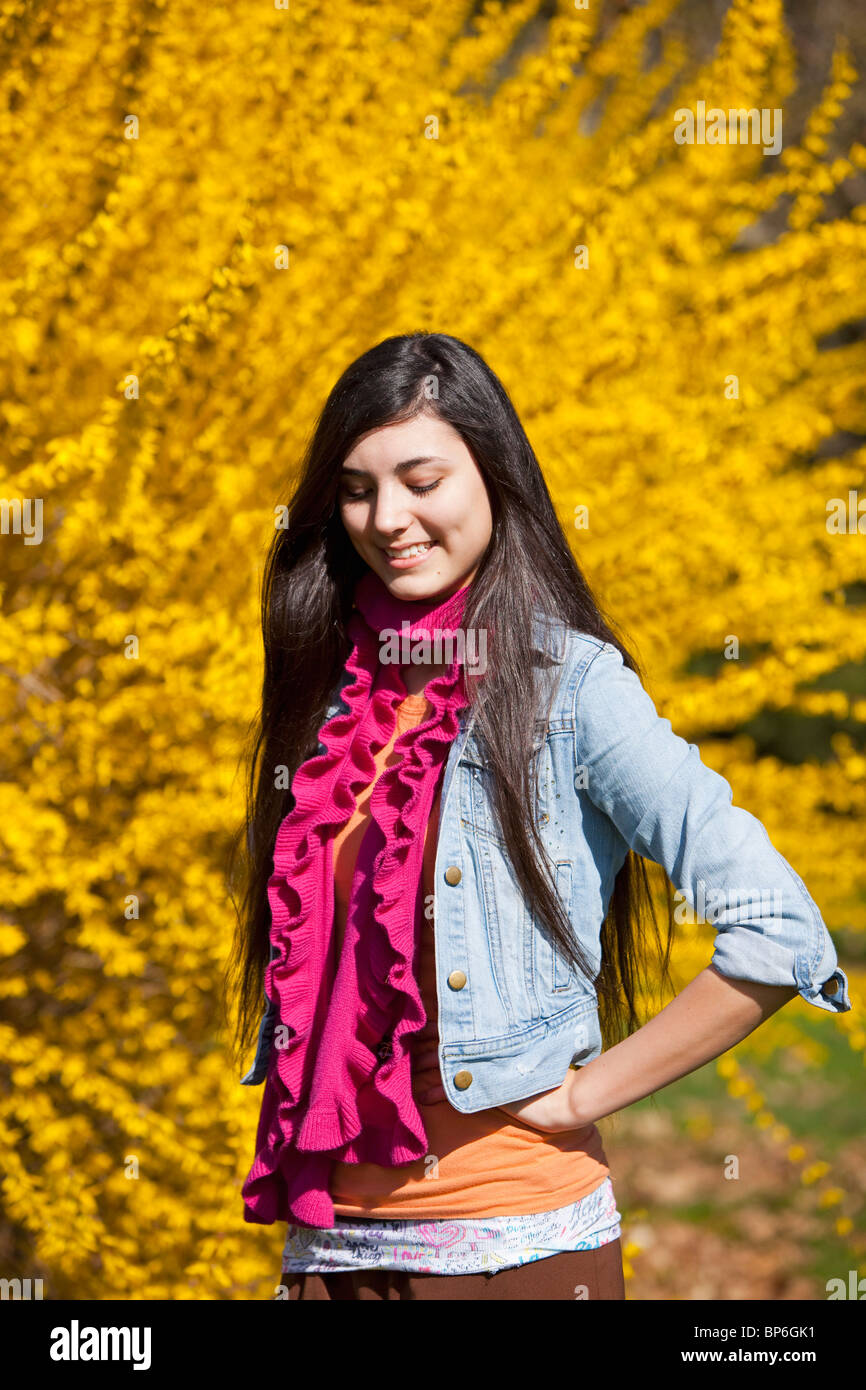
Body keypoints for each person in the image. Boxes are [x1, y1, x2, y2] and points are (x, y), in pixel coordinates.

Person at [224, 331, 850, 1302]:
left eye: (421, 479)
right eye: (355, 488)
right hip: (330, 1251)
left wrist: (585, 1093)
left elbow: (777, 927)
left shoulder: (570, 689)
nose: (388, 518)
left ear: (493, 474)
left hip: (512, 1246)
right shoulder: (328, 693)